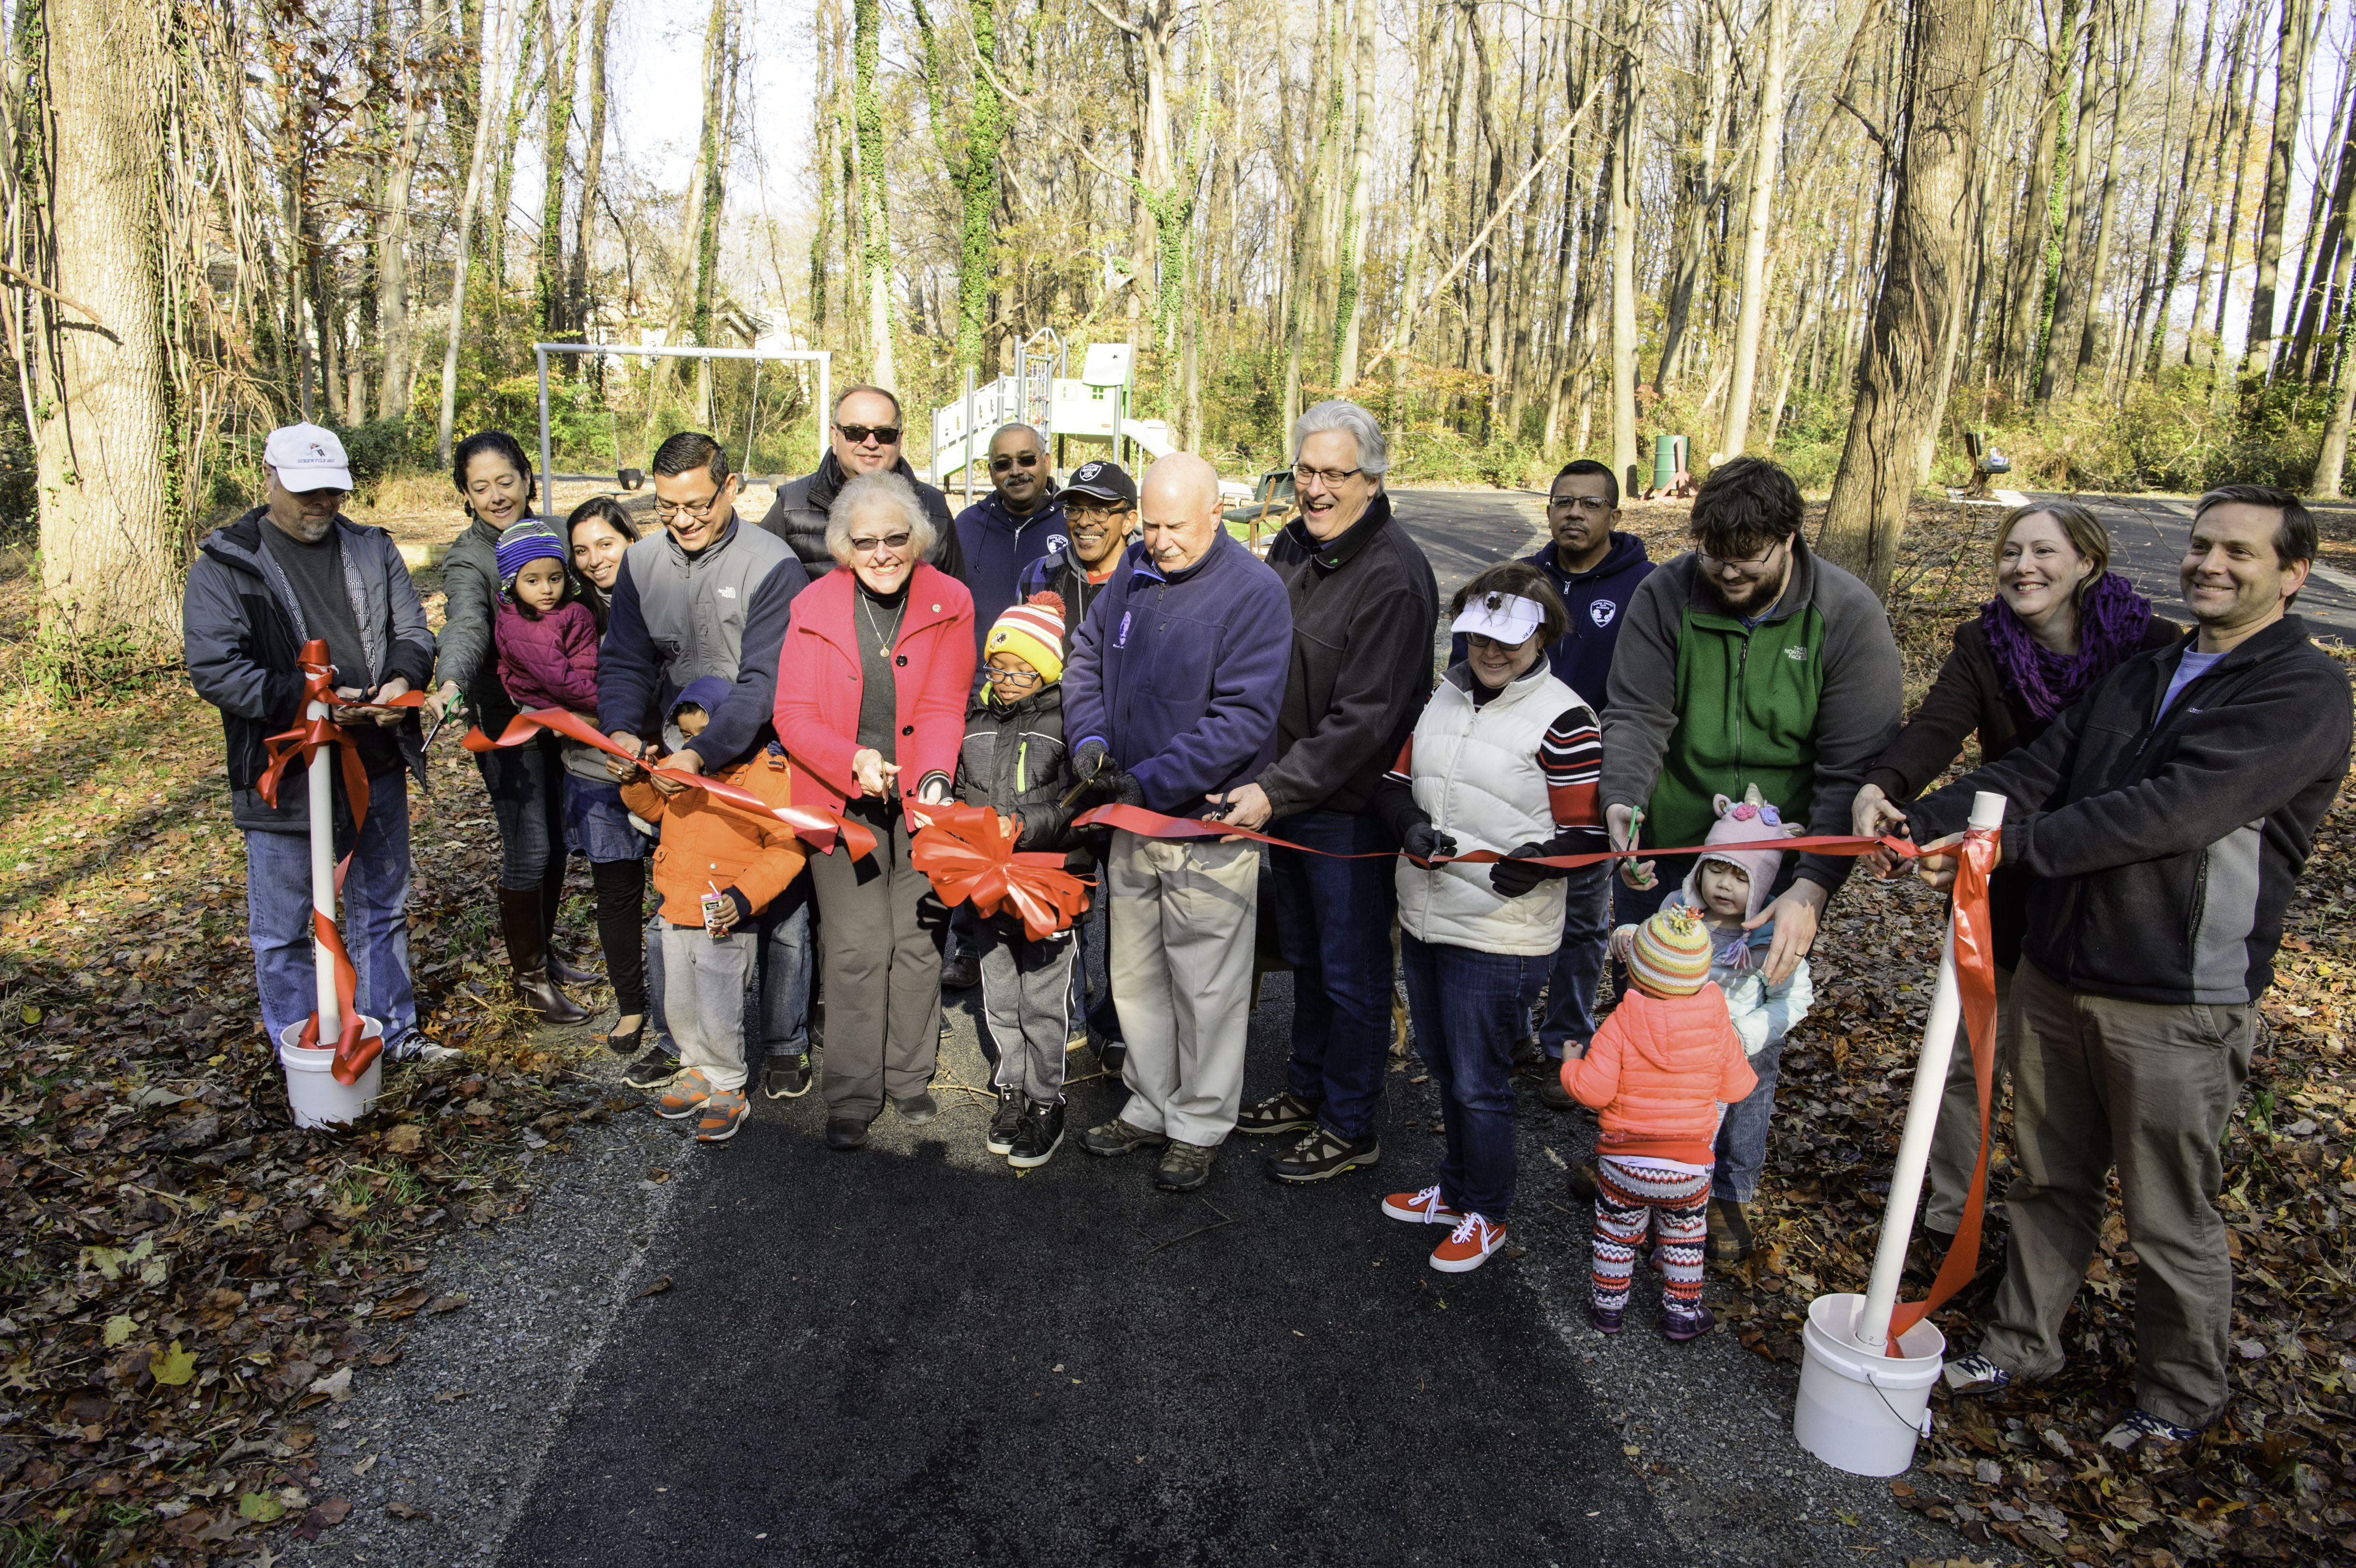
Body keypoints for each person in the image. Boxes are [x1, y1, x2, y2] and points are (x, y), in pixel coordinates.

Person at [1899, 485, 2351, 1449]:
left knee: (2165, 1212)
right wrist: (1923, 819)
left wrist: (2006, 850)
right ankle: (2022, 1343)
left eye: (2239, 551)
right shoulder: (2147, 669)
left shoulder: (2300, 692)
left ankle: (2180, 1394)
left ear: (2292, 573)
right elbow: (2037, 769)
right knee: (2048, 1179)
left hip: (2176, 999)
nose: (2210, 565)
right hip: (2060, 973)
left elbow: (2167, 813)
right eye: (2200, 547)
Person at [1853, 501, 2177, 1253]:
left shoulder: (2154, 648)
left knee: (2052, 1081)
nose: (2022, 566)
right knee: (1968, 1057)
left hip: (2099, 882)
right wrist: (1888, 785)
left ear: (2087, 563)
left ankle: (2049, 1228)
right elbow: (1938, 725)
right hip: (1998, 881)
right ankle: (1942, 1215)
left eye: (2043, 552)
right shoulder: (1983, 643)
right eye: (2010, 552)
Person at [184, 423, 449, 1063]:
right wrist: (312, 705)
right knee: (280, 930)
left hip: (373, 760)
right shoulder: (226, 563)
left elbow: (412, 630)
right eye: (305, 491)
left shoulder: (371, 547)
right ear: (269, 478)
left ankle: (392, 1034)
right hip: (284, 771)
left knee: (380, 908)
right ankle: (303, 1052)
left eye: (332, 491)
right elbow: (216, 669)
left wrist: (399, 682)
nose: (320, 503)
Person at [1064, 452, 1292, 1193]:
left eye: (1175, 528)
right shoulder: (1133, 571)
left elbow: (1241, 721)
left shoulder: (1254, 592)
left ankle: (1198, 1122)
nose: (1158, 541)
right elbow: (1088, 657)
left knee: (1208, 987)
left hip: (1202, 827)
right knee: (1135, 977)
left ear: (1217, 515)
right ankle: (1150, 1100)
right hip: (1129, 816)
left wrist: (1150, 782)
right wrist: (1091, 743)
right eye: (1151, 525)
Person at [1223, 400, 1439, 1183]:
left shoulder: (1394, 578)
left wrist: (1274, 790)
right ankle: (1306, 1089)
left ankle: (1350, 1124)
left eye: (1332, 474)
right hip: (1287, 797)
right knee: (1309, 958)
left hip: (1344, 812)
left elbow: (1363, 722)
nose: (1313, 489)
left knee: (1350, 976)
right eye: (1304, 471)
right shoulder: (1292, 544)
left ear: (1372, 480)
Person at [1372, 565, 1606, 1273]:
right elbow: (1394, 783)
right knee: (1445, 1067)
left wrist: (1538, 860)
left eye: (1508, 639)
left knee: (1480, 1081)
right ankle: (1456, 1187)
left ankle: (1488, 1213)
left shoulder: (1566, 720)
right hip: (1427, 913)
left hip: (1500, 931)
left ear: (1542, 635)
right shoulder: (1444, 695)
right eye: (1477, 636)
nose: (1490, 652)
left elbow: (1591, 837)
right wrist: (1409, 824)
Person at [599, 432, 813, 1095]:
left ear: (730, 488)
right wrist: (623, 736)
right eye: (667, 507)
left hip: (758, 754)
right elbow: (628, 662)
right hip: (679, 755)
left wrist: (703, 751)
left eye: (696, 504)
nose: (683, 520)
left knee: (780, 908)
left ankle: (784, 1042)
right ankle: (680, 1041)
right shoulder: (640, 564)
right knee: (681, 905)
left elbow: (762, 681)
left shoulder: (773, 564)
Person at [773, 471, 977, 1151]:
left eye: (896, 538)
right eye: (867, 542)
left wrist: (939, 780)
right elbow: (793, 715)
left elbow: (949, 704)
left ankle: (909, 1075)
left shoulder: (951, 599)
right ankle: (853, 1091)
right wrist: (851, 759)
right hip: (843, 802)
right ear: (843, 546)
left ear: (917, 537)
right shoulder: (813, 606)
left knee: (918, 943)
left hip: (924, 800)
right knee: (859, 947)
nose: (883, 552)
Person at [1452, 459, 1654, 1108]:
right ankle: (1509, 1034)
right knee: (1510, 906)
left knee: (1585, 926)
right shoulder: (1522, 584)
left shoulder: (1641, 589)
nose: (1575, 513)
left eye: (1590, 504)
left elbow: (1646, 696)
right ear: (1548, 510)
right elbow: (1467, 666)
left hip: (1591, 783)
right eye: (1564, 501)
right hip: (1512, 781)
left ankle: (1567, 1042)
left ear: (1613, 517)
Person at [425, 431, 595, 1024]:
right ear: (466, 496)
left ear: (527, 478)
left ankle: (544, 956)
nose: (497, 496)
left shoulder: (551, 533)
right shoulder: (469, 556)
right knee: (529, 843)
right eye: (481, 487)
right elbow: (466, 624)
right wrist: (450, 681)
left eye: (506, 481)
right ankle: (527, 979)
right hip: (507, 721)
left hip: (566, 715)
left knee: (554, 841)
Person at [620, 678, 808, 1143]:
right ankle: (696, 1066)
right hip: (676, 903)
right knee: (680, 1003)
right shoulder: (679, 764)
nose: (693, 746)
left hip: (725, 914)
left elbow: (787, 847)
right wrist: (635, 781)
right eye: (685, 736)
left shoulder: (768, 771)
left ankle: (727, 1082)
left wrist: (743, 897)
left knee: (720, 1008)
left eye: (702, 734)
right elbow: (654, 810)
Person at [1623, 793, 1812, 1248]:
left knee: (1748, 1103)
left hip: (1741, 1040)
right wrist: (1630, 938)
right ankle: (1650, 1175)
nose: (1725, 885)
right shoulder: (1677, 911)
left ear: (1765, 881)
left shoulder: (1772, 937)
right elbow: (1651, 948)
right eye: (1717, 868)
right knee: (1668, 1117)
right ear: (1700, 867)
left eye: (1742, 876)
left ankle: (1730, 1190)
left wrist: (1745, 1037)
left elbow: (1795, 998)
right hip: (1678, 1044)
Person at [1568, 905, 1757, 1339]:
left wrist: (1570, 1065)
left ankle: (1608, 1310)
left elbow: (1593, 1092)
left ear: (1634, 974)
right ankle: (1682, 1315)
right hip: (1690, 1167)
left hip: (1625, 1164)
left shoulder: (1620, 1023)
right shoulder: (1717, 1024)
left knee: (1615, 1234)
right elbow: (1738, 1089)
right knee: (1685, 1237)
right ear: (1701, 975)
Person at [956, 592, 1093, 1168]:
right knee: (1000, 997)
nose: (1008, 679)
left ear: (1048, 671)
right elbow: (963, 794)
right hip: (988, 888)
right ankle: (1010, 1090)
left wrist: (1023, 826)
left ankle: (1046, 1100)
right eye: (998, 666)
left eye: (1023, 669)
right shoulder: (973, 721)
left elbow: (1077, 803)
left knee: (1043, 1000)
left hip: (1046, 885)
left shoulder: (1068, 722)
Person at [1016, 457, 1141, 1065]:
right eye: (1075, 507)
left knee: (1128, 899)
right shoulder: (1039, 572)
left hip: (1125, 766)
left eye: (1100, 508)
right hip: (1054, 762)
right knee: (1062, 889)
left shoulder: (1151, 576)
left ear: (1129, 517)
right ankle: (1062, 1009)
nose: (1085, 520)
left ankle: (1116, 1019)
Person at [940, 422, 1069, 992]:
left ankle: (1042, 940)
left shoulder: (1068, 522)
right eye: (1001, 463)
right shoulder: (965, 527)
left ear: (1045, 461)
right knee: (976, 816)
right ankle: (971, 943)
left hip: (1040, 695)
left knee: (1029, 812)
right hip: (976, 694)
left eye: (1025, 460)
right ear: (987, 469)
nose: (1015, 471)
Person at [565, 498, 664, 1061]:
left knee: (675, 884)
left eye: (606, 543)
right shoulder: (571, 611)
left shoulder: (661, 593)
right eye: (581, 550)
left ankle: (687, 1006)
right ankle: (631, 1004)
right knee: (616, 893)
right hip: (593, 772)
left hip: (662, 766)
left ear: (632, 539)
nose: (595, 559)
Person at [759, 385, 968, 583]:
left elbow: (954, 594)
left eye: (884, 434)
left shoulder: (934, 507)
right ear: (835, 435)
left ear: (900, 440)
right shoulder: (791, 507)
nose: (871, 444)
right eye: (856, 432)